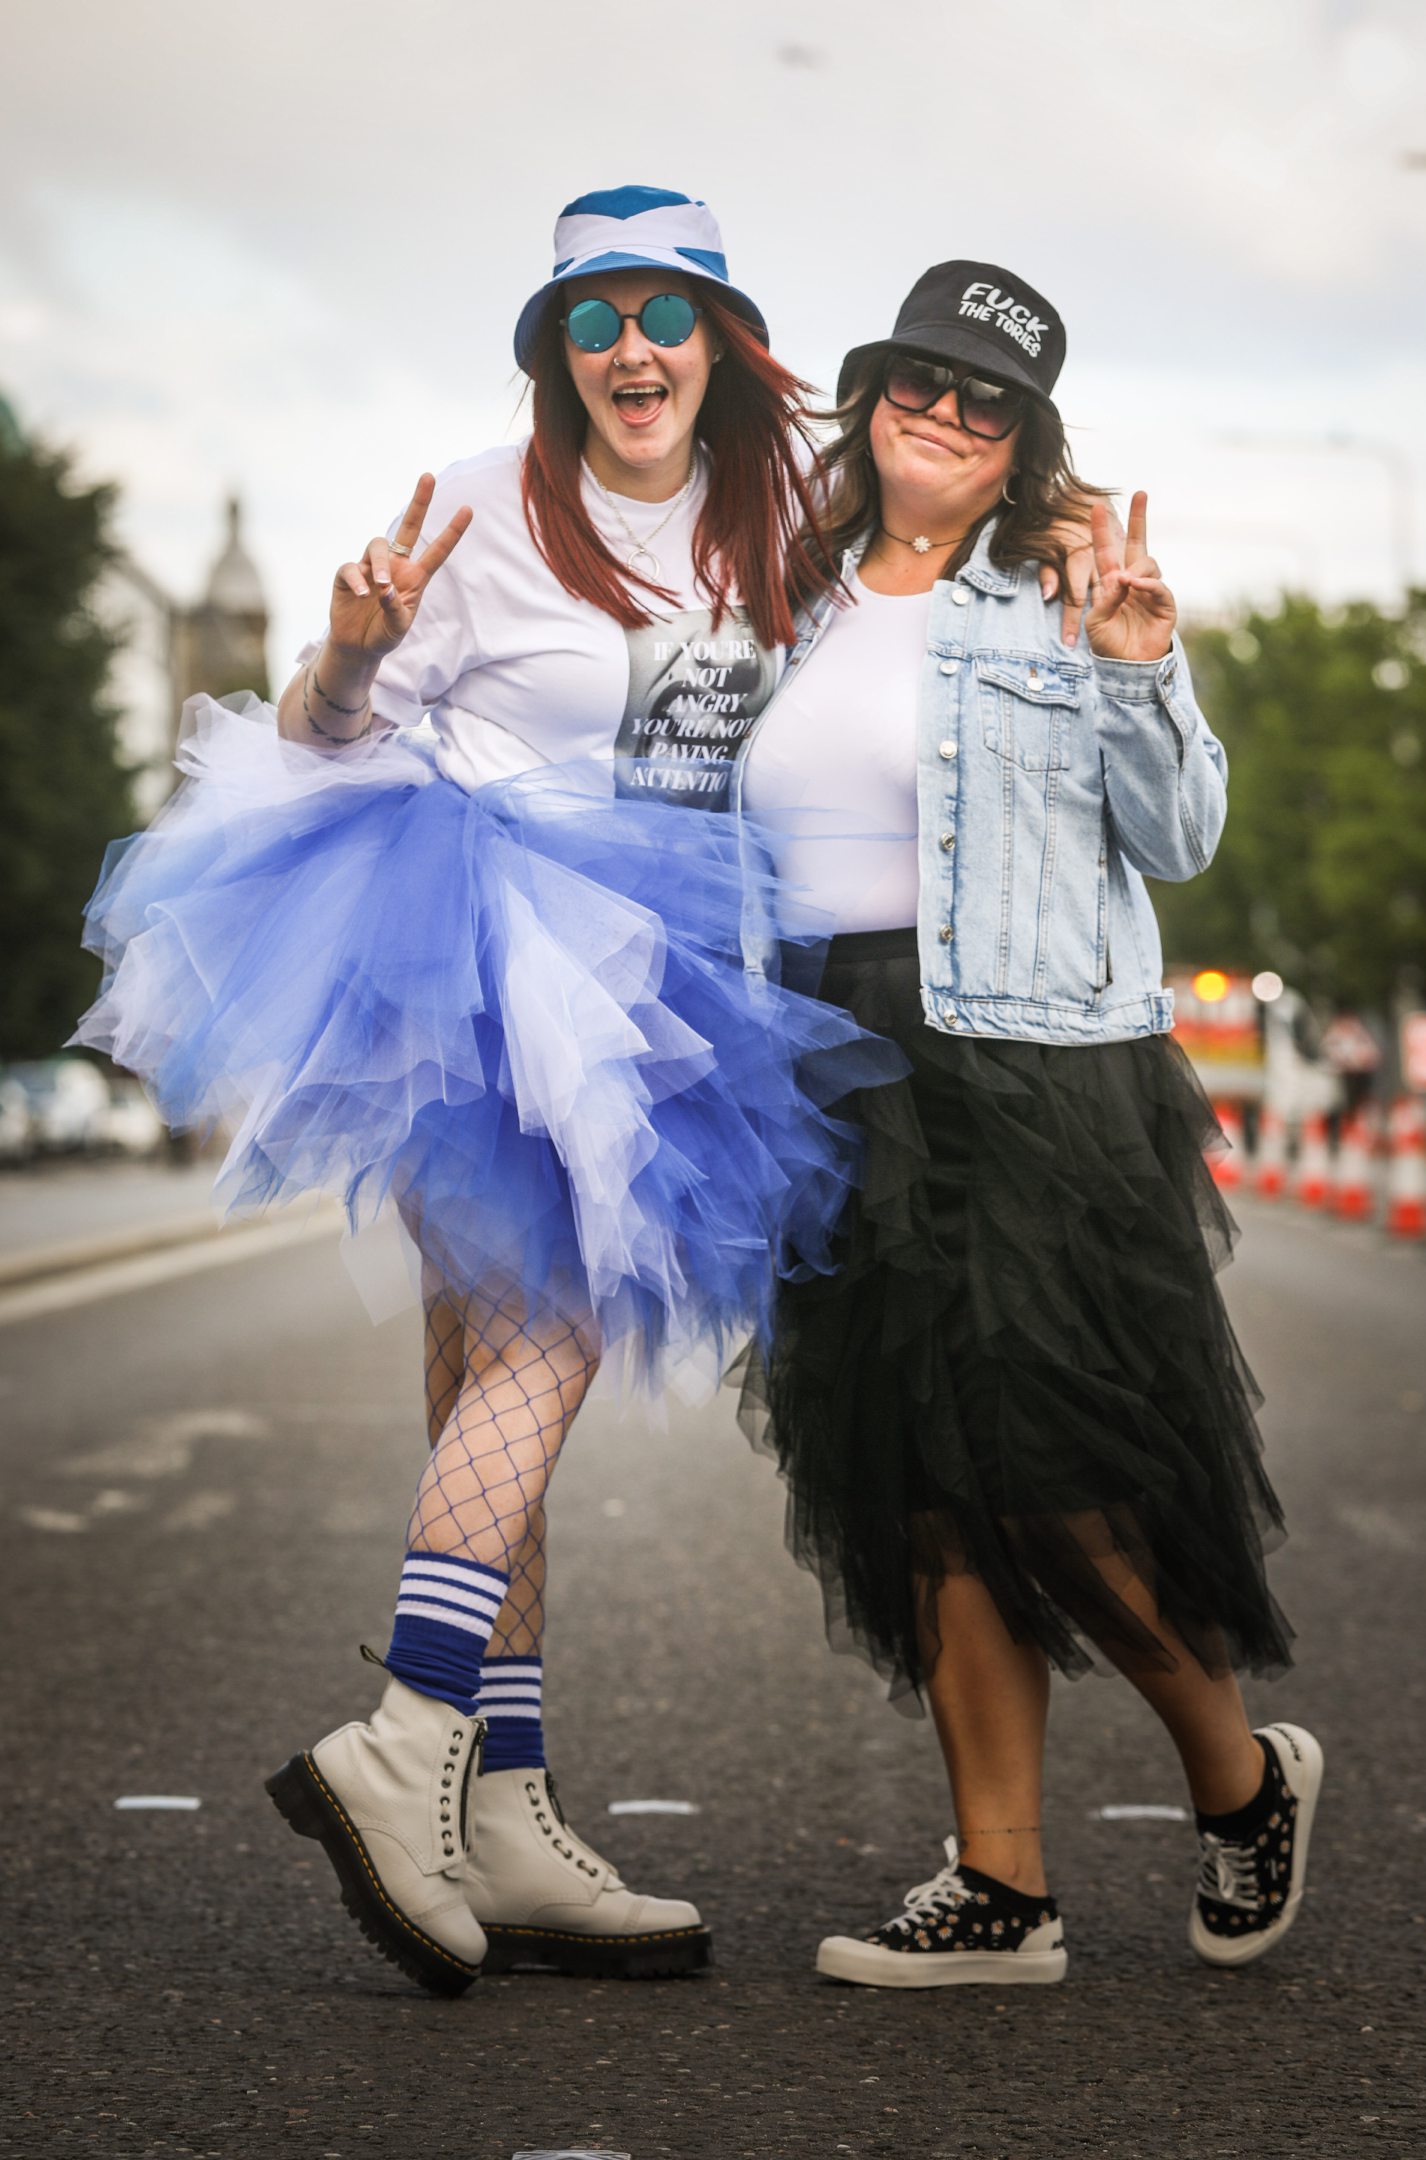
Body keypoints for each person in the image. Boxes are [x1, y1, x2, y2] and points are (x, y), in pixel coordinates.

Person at [73, 184, 906, 1994]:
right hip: (491, 959)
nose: (630, 347)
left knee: (478, 1382)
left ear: (719, 342)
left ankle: (505, 1817)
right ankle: (405, 1734)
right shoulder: (479, 500)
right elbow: (319, 732)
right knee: (549, 1343)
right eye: (592, 316)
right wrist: (358, 650)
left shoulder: (781, 515)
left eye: (662, 312)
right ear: (556, 351)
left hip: (678, 981)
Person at [734, 261, 1322, 1987]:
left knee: (1052, 1466)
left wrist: (1141, 667)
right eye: (920, 378)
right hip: (828, 1048)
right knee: (914, 1475)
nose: (944, 412)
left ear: (1022, 447)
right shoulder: (796, 590)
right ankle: (1002, 1884)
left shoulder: (1069, 587)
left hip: (1029, 1060)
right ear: (874, 396)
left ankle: (1236, 1774)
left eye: (987, 400)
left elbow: (1184, 832)